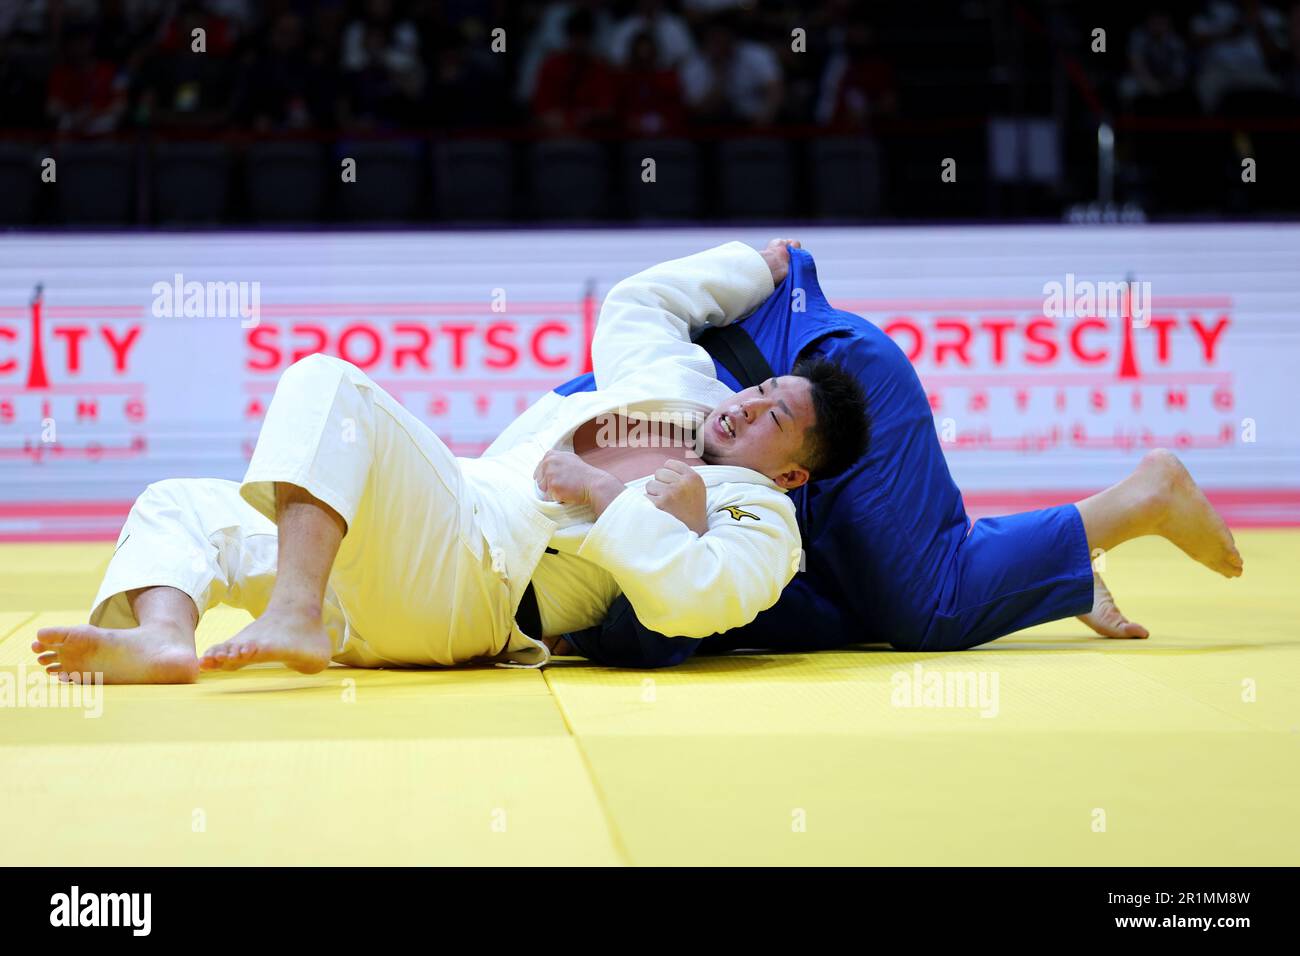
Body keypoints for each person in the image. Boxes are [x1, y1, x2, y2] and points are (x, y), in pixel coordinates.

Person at [33, 241, 869, 684]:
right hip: (409, 569)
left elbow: (695, 603)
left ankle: (291, 611)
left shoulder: (761, 521)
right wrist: (753, 266)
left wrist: (612, 497)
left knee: (333, 386)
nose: (748, 402)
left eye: (774, 418)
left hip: (477, 580)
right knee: (177, 500)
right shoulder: (676, 381)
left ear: (794, 472)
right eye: (759, 387)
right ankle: (165, 639)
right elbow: (639, 303)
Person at [557, 240, 1244, 667]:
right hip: (784, 419)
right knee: (831, 606)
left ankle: (1138, 500)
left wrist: (756, 268)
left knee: (925, 608)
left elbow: (639, 308)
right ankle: (1041, 570)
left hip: (822, 382)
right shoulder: (563, 471)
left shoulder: (581, 468)